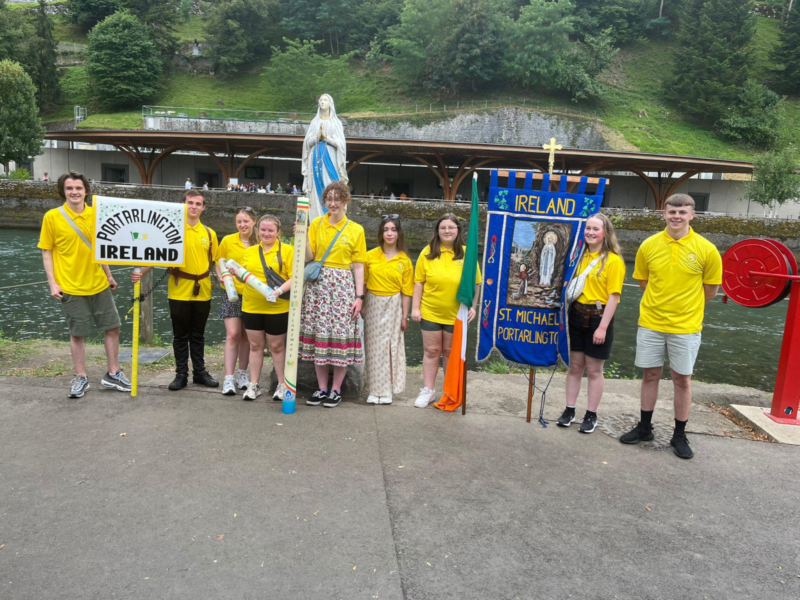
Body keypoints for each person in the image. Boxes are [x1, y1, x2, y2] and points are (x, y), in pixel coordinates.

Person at [620, 194, 722, 459]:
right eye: (672, 211)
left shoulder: (707, 249)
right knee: (650, 375)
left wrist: (685, 307)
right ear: (664, 214)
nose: (677, 216)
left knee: (682, 380)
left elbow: (711, 291)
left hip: (686, 326)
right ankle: (645, 427)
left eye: (682, 212)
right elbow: (644, 282)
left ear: (692, 215)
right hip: (651, 322)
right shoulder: (648, 245)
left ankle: (679, 434)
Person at [39, 171, 130, 398]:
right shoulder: (52, 217)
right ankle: (81, 377)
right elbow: (47, 251)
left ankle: (113, 373)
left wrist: (109, 275)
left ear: (86, 190)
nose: (74, 192)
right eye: (69, 188)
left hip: (98, 283)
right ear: (63, 191)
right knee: (78, 333)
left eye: (78, 188)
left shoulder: (97, 214)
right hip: (70, 286)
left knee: (113, 327)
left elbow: (101, 248)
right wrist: (53, 283)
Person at [132, 190, 219, 391]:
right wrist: (140, 272)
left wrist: (224, 277)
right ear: (183, 204)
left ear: (203, 207)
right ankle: (181, 374)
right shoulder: (171, 230)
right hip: (179, 290)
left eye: (198, 204)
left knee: (198, 335)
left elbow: (216, 261)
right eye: (190, 202)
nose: (194, 207)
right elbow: (156, 256)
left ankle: (200, 372)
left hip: (203, 290)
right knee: (180, 335)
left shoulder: (209, 233)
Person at [300, 181, 367, 408]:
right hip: (318, 286)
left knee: (341, 336)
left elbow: (358, 265)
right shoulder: (317, 224)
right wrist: (302, 235)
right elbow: (309, 256)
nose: (333, 203)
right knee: (320, 335)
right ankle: (322, 389)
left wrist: (359, 297)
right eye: (329, 199)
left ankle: (336, 389)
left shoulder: (356, 229)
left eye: (337, 199)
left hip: (342, 287)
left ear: (345, 200)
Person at [558, 214, 625, 433]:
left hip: (598, 317)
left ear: (606, 233)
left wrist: (603, 327)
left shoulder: (613, 261)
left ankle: (591, 414)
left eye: (596, 229)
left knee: (594, 370)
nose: (590, 232)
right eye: (588, 228)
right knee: (575, 367)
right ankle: (569, 410)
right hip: (576, 314)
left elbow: (613, 297)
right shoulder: (578, 256)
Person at [411, 214, 481, 408]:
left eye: (451, 227)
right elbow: (419, 282)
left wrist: (473, 307)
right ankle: (428, 390)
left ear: (458, 230)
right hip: (430, 311)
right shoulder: (428, 252)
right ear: (437, 231)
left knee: (450, 352)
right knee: (432, 351)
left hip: (456, 313)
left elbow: (476, 283)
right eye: (443, 227)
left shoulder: (467, 253)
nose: (447, 231)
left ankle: (449, 391)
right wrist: (415, 308)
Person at [233, 214, 294, 401]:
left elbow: (295, 277)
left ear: (278, 232)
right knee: (255, 346)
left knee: (276, 346)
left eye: (270, 230)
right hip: (251, 306)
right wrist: (235, 274)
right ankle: (254, 384)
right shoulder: (250, 251)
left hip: (278, 307)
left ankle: (282, 384)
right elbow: (242, 278)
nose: (266, 233)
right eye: (263, 230)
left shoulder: (288, 251)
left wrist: (278, 291)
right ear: (258, 231)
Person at [363, 215, 414, 405]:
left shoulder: (404, 260)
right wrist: (362, 304)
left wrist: (405, 316)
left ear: (399, 233)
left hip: (393, 304)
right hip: (373, 303)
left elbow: (406, 292)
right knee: (372, 346)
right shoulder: (370, 256)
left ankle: (386, 390)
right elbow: (364, 283)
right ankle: (374, 389)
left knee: (390, 346)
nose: (389, 233)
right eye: (386, 230)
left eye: (393, 229)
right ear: (381, 233)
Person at [214, 207, 257, 396]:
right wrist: (223, 277)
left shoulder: (260, 241)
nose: (242, 225)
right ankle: (228, 378)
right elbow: (219, 262)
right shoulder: (227, 240)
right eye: (239, 221)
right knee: (233, 334)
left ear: (254, 222)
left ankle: (242, 373)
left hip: (253, 294)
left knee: (247, 336)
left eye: (246, 221)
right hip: (231, 293)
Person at [302, 94, 348, 218]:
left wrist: (326, 138)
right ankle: (317, 218)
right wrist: (318, 137)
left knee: (331, 184)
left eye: (325, 100)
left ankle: (333, 218)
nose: (322, 102)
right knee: (314, 188)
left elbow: (341, 144)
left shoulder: (336, 123)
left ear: (330, 103)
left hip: (331, 158)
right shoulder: (314, 122)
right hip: (315, 158)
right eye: (321, 100)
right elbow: (306, 143)